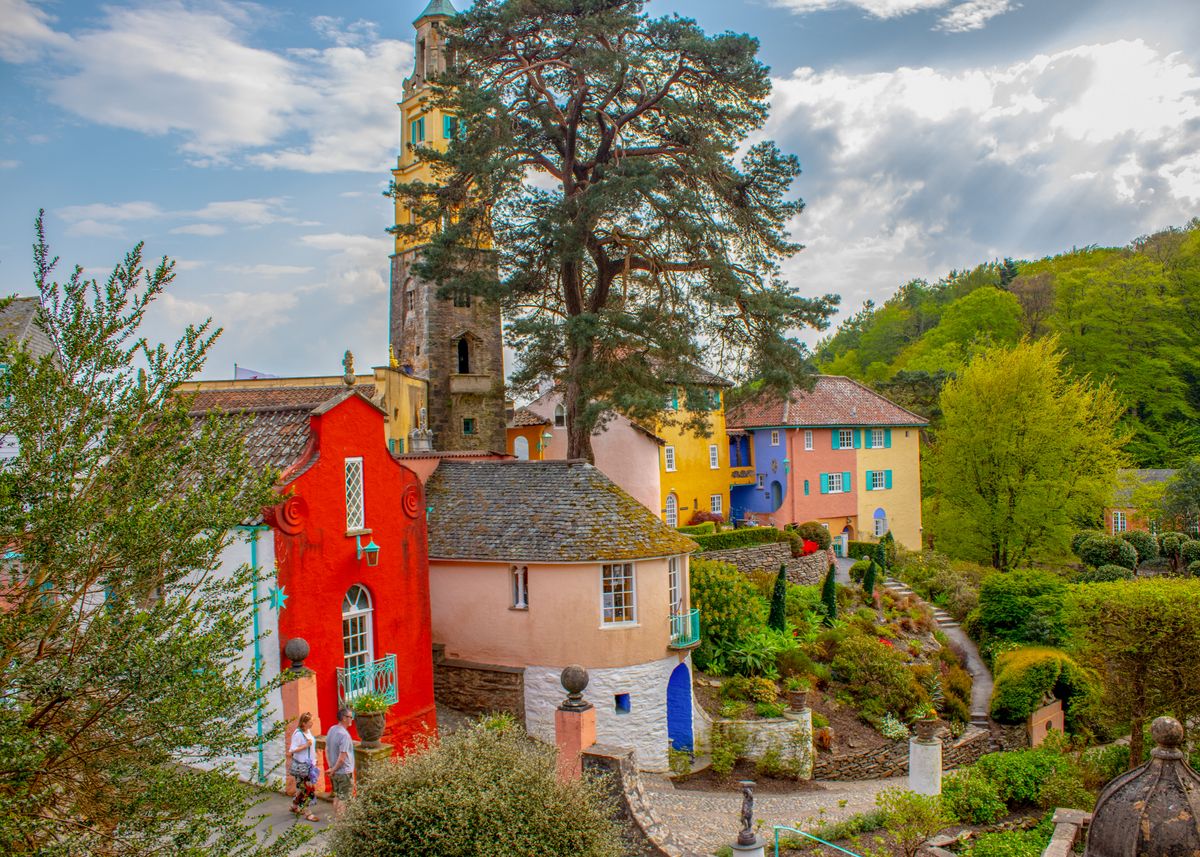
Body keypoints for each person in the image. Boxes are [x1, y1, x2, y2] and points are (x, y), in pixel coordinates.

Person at [286, 712, 319, 822]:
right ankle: (307, 812)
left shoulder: (307, 731)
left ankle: (294, 806)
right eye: (310, 722)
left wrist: (314, 758)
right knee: (307, 789)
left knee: (301, 788)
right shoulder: (298, 734)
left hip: (309, 765)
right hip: (302, 766)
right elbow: (292, 750)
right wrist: (305, 745)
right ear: (304, 723)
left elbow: (311, 747)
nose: (312, 723)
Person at [325, 706, 356, 817]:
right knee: (344, 798)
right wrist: (333, 769)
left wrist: (331, 767)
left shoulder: (332, 729)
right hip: (344, 772)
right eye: (350, 717)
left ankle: (337, 820)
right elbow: (342, 758)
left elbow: (327, 749)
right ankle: (341, 821)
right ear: (344, 718)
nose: (352, 719)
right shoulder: (344, 735)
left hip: (335, 771)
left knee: (337, 796)